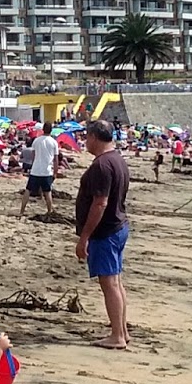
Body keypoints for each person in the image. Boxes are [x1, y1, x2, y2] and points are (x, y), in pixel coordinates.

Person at [75, 119, 130, 350]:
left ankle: (117, 335)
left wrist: (84, 236)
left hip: (105, 230)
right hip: (117, 226)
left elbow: (100, 203)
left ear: (95, 138)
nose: (85, 141)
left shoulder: (102, 165)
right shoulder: (117, 160)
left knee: (109, 283)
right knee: (115, 282)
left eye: (87, 137)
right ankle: (122, 331)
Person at [18, 127, 59, 217]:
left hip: (35, 170)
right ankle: (49, 211)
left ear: (43, 129)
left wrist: (33, 165)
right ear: (51, 130)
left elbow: (33, 155)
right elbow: (56, 159)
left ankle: (22, 211)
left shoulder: (36, 140)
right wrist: (55, 172)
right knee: (48, 193)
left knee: (28, 191)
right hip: (46, 170)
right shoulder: (53, 142)